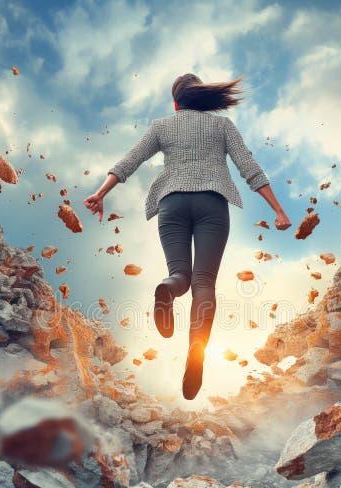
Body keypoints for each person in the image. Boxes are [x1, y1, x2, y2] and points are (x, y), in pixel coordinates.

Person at [83, 73, 291, 399]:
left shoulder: (162, 126)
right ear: (202, 98)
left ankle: (167, 288)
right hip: (211, 203)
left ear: (176, 103)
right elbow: (248, 166)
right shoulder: (222, 127)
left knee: (180, 274)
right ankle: (197, 347)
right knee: (204, 283)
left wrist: (100, 193)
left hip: (172, 204)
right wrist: (278, 210)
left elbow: (130, 160)